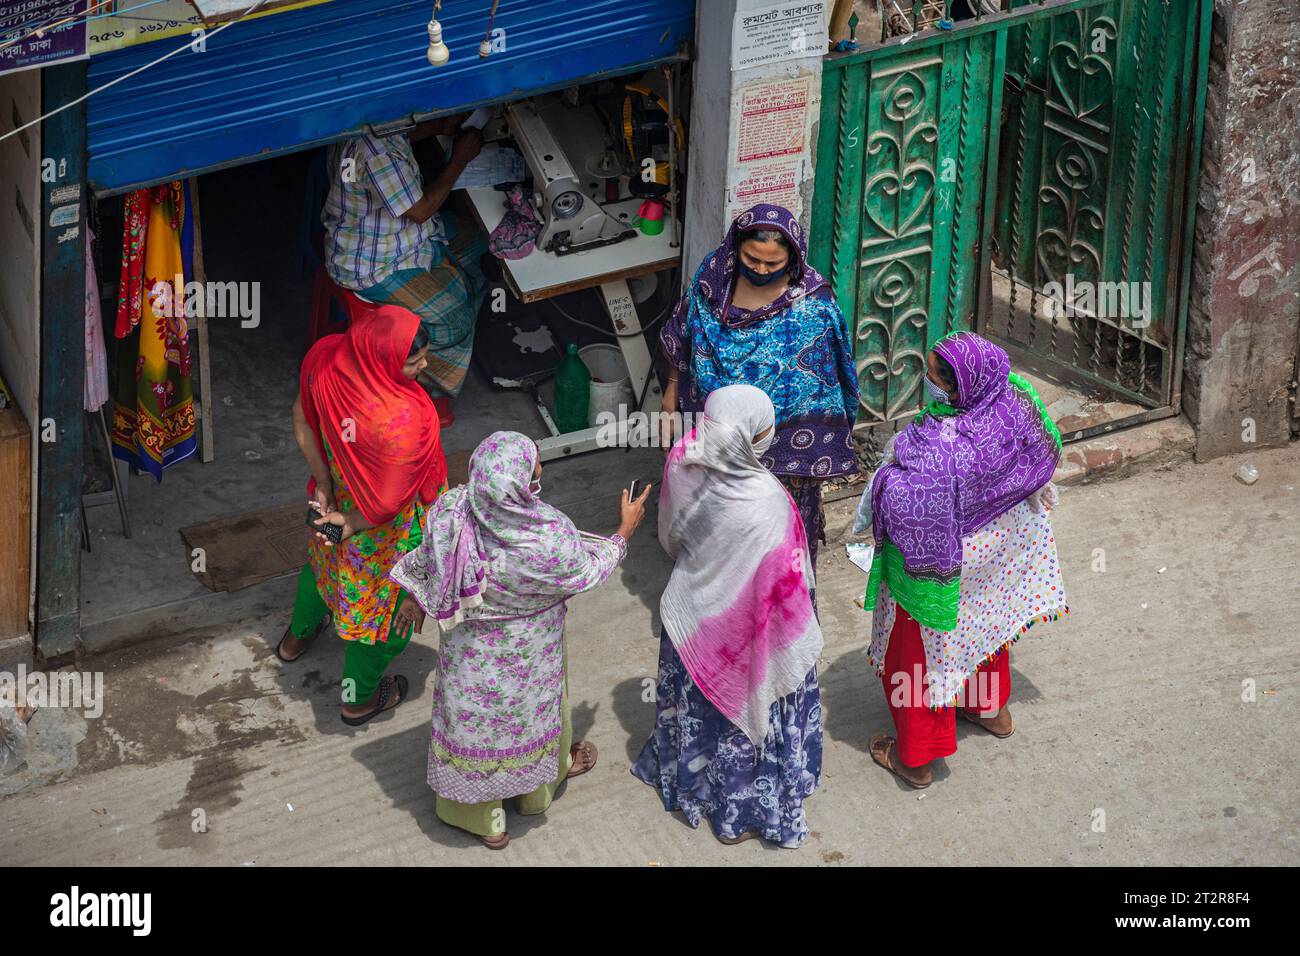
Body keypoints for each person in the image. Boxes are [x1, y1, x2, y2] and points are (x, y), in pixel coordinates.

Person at [391, 431, 652, 849]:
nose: (541, 470)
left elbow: (430, 557)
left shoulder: (451, 511)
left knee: (474, 725)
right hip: (531, 651)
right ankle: (534, 795)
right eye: (534, 465)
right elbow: (586, 572)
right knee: (532, 715)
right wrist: (623, 532)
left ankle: (484, 819)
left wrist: (414, 600)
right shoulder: (547, 537)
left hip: (469, 652)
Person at [863, 331, 1067, 788]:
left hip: (949, 561)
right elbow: (1047, 449)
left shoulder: (936, 446)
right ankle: (990, 710)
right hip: (1007, 549)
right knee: (986, 625)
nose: (928, 381)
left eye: (935, 376)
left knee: (918, 652)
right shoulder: (1015, 402)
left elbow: (906, 506)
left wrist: (885, 481)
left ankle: (916, 757)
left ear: (959, 387)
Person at [634, 384, 824, 848]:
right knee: (752, 701)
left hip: (696, 620)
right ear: (751, 439)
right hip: (749, 642)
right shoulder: (768, 505)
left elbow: (672, 537)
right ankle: (742, 811)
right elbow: (787, 599)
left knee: (703, 702)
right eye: (767, 427)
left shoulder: (682, 458)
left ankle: (694, 785)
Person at [659, 203, 859, 591]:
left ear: (793, 257)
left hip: (788, 455)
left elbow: (834, 374)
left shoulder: (813, 303)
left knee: (779, 551)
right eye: (753, 259)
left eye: (774, 263)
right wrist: (670, 393)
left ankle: (784, 623)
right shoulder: (711, 283)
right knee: (722, 545)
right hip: (721, 443)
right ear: (737, 247)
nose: (762, 270)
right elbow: (681, 338)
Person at [278, 306, 447, 727]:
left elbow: (302, 417)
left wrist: (324, 484)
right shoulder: (404, 420)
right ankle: (358, 702)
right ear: (384, 357)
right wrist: (351, 523)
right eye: (414, 361)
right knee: (384, 617)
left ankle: (294, 642)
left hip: (333, 496)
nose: (424, 367)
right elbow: (388, 504)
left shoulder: (326, 358)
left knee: (322, 572)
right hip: (377, 534)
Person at [321, 116, 489, 423]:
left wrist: (438, 126)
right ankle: (427, 393)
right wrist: (461, 159)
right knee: (456, 321)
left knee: (478, 243)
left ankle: (453, 311)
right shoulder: (375, 152)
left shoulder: (369, 123)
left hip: (400, 240)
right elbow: (421, 210)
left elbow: (399, 135)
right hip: (374, 261)